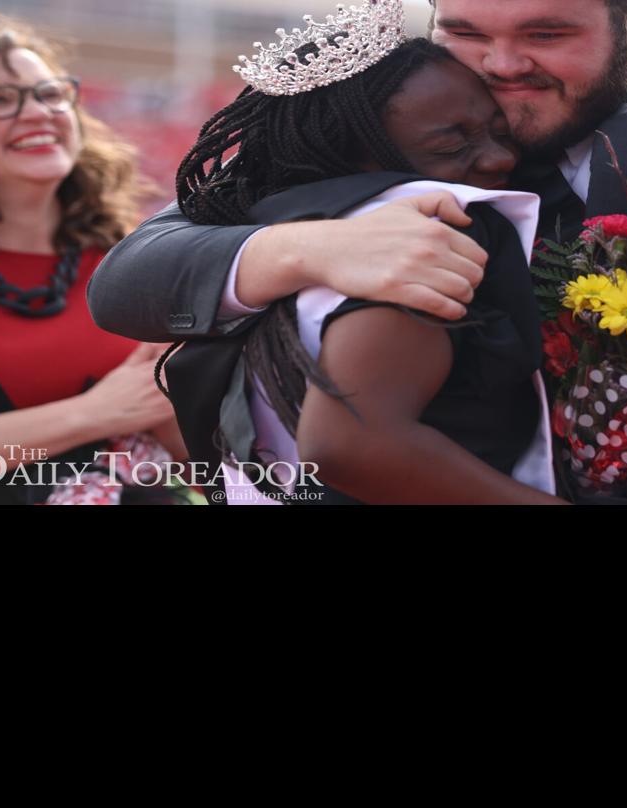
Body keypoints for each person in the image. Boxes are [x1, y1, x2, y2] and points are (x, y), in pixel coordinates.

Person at [90, 0, 627, 503]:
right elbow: (133, 276)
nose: (502, 65)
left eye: (546, 34)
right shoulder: (391, 129)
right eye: (468, 30)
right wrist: (314, 249)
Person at [163, 2, 563, 505]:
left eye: (498, 130)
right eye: (449, 146)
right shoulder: (435, 228)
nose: (500, 157)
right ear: (353, 156)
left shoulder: (273, 215)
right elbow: (349, 445)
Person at [0, 16, 182, 505]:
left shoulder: (136, 261)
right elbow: (120, 409)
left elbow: (198, 454)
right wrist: (95, 414)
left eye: (50, 94)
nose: (37, 113)